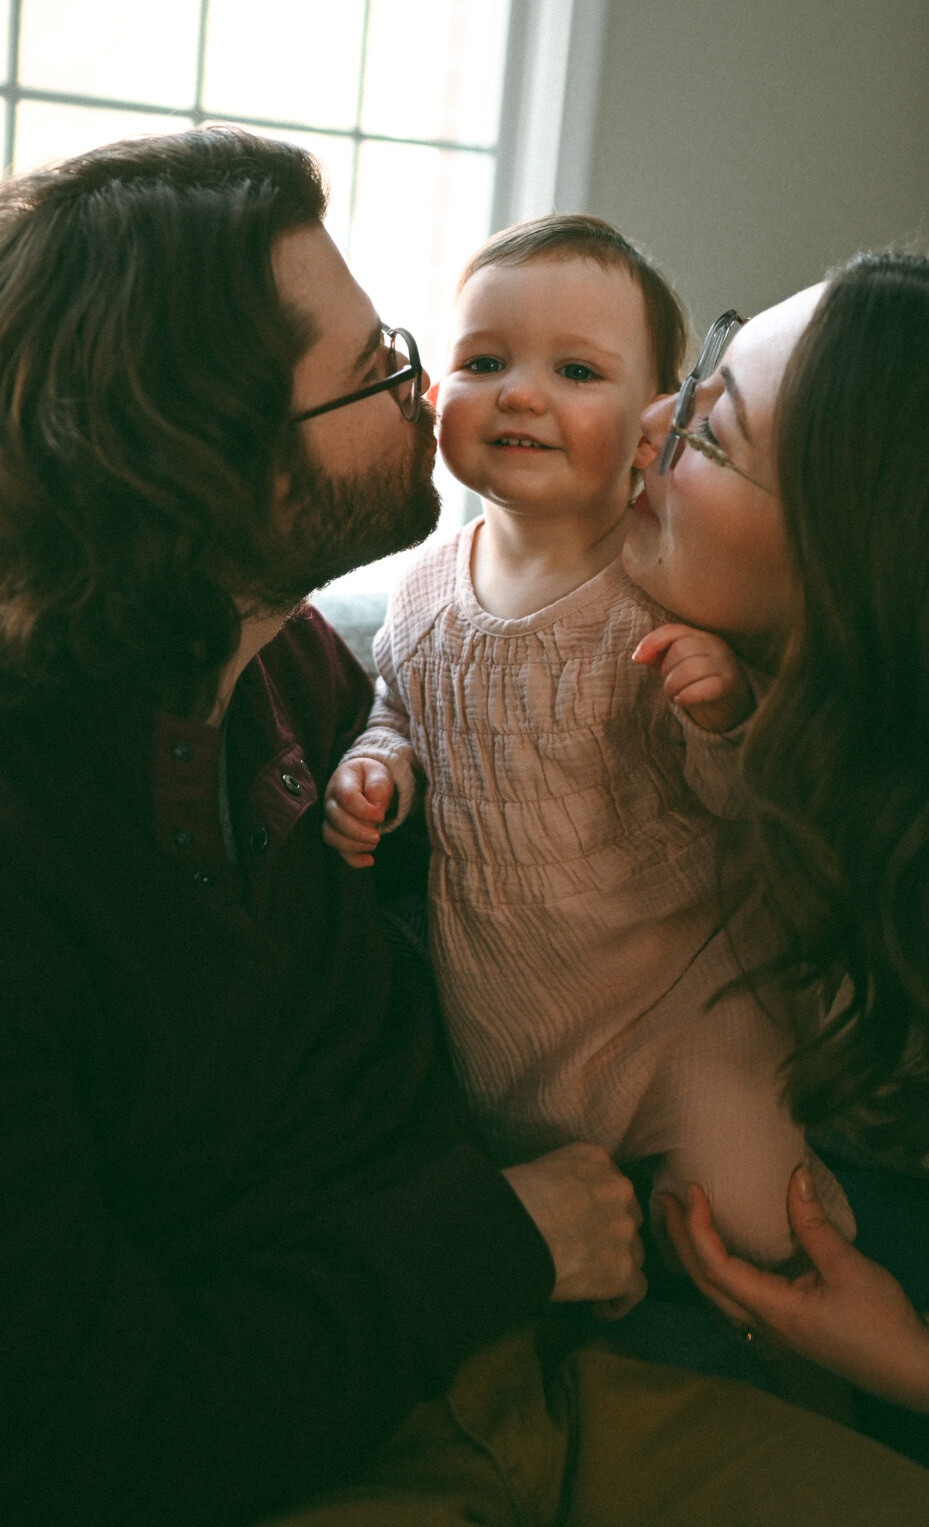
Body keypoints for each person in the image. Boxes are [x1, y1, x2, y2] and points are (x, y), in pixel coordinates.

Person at [0, 131, 929, 1527]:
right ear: (207, 461)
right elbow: (87, 1438)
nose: (429, 394)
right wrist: (495, 1241)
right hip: (331, 1450)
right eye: (380, 370)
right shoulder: (39, 861)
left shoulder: (283, 667)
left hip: (536, 1368)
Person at [621, 253, 929, 1527]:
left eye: (706, 431)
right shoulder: (798, 719)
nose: (641, 427)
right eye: (693, 380)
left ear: (867, 573)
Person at [321, 214, 852, 1268]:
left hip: (685, 1008)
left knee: (753, 1223)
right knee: (559, 1226)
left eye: (573, 369)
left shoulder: (654, 584)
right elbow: (401, 700)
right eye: (483, 361)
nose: (518, 392)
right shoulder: (423, 587)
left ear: (656, 415)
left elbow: (752, 808)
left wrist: (721, 713)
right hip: (508, 1017)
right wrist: (379, 762)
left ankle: (816, 1378)